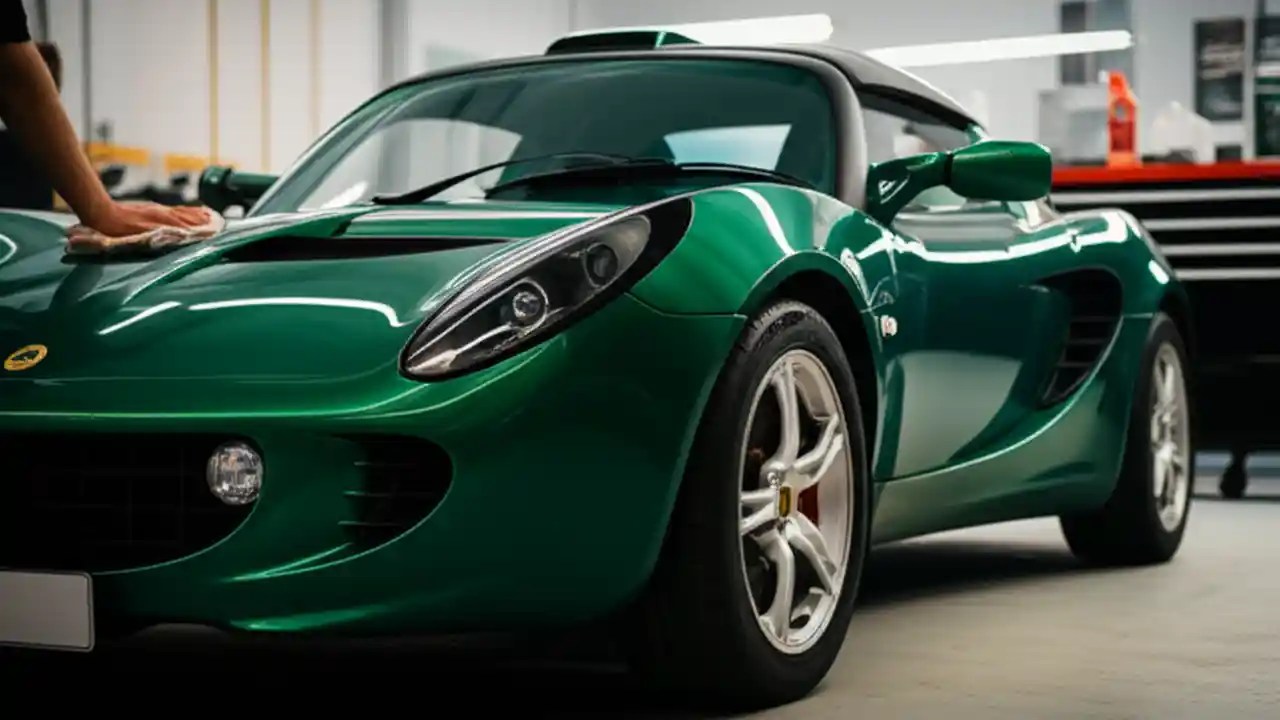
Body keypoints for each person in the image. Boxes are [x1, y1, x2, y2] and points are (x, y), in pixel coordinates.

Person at [0, 0, 208, 235]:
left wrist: (100, 209)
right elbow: (12, 77)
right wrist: (101, 210)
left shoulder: (27, 150)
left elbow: (12, 76)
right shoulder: (19, 150)